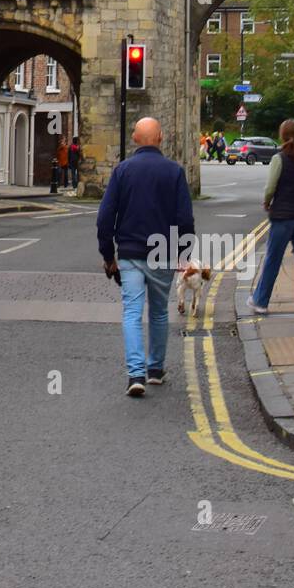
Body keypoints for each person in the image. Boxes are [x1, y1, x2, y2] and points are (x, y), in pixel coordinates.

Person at [97, 116, 195, 397]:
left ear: (135, 139)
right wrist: (183, 254)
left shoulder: (122, 171)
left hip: (129, 253)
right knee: (159, 311)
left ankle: (135, 374)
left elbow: (105, 218)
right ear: (161, 138)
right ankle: (155, 369)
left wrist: (108, 256)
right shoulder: (174, 172)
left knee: (131, 312)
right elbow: (184, 218)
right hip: (162, 253)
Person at [247, 119, 294, 317]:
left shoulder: (279, 158)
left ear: (282, 135)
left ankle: (261, 302)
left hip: (283, 217)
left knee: (273, 259)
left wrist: (267, 201)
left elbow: (270, 187)